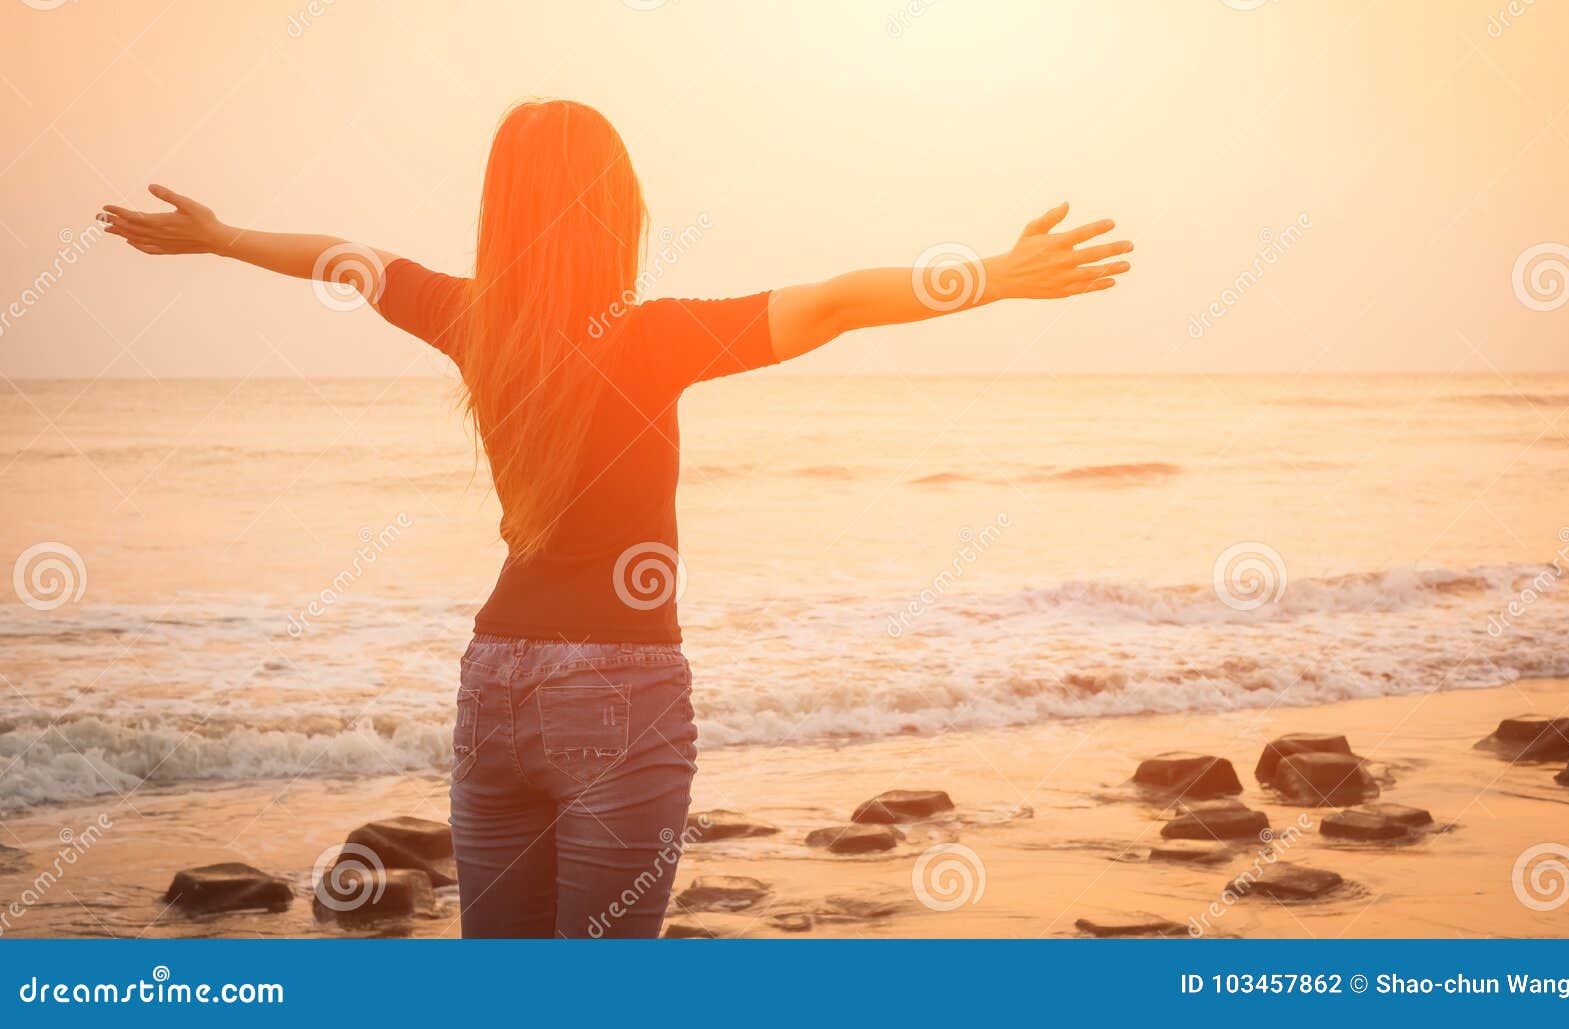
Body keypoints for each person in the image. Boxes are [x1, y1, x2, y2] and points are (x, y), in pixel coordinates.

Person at [97, 98, 1133, 938]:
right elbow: (831, 303)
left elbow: (349, 259)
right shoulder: (652, 337)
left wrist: (221, 238)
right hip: (619, 683)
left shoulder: (469, 318)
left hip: (493, 676)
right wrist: (991, 277)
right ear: (616, 208)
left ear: (501, 210)